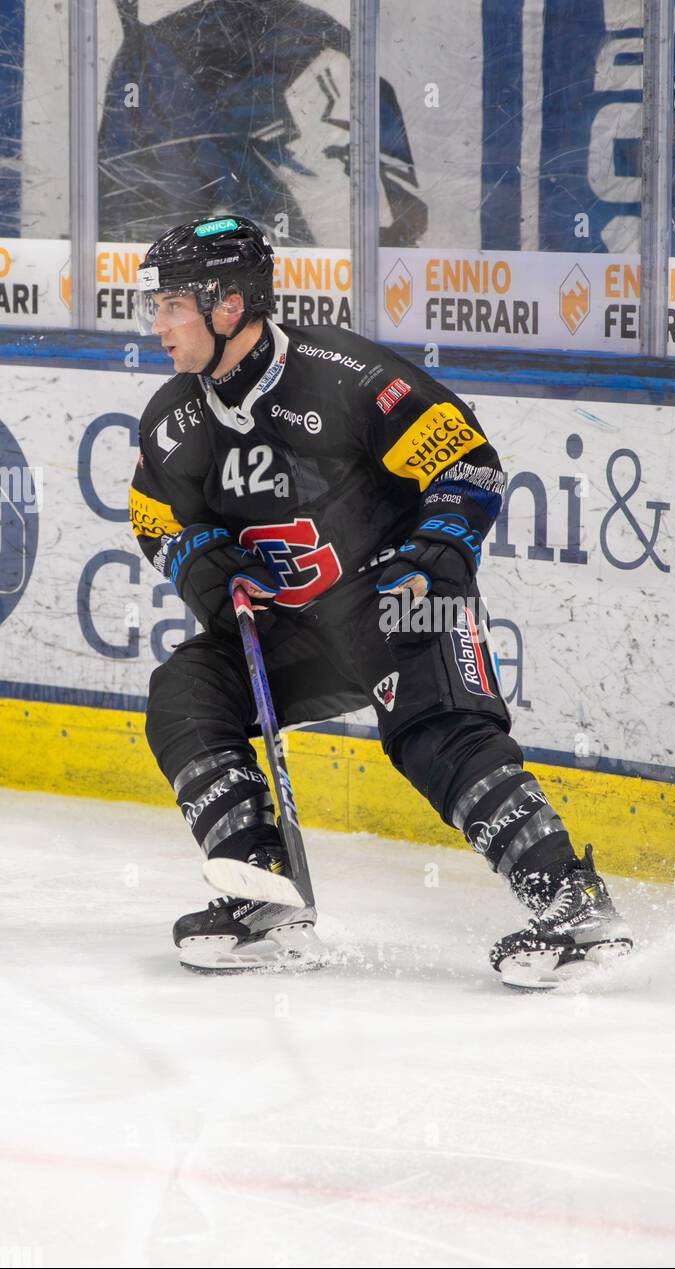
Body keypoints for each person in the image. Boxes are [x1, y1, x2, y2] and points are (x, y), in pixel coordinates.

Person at [129, 214, 632, 987]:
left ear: (228, 306)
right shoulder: (175, 421)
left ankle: (572, 904)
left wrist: (435, 550)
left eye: (172, 305)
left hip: (399, 599)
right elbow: (156, 517)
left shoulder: (344, 378)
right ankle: (260, 890)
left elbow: (468, 462)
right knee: (186, 693)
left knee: (438, 735)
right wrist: (201, 562)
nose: (157, 322)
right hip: (289, 626)